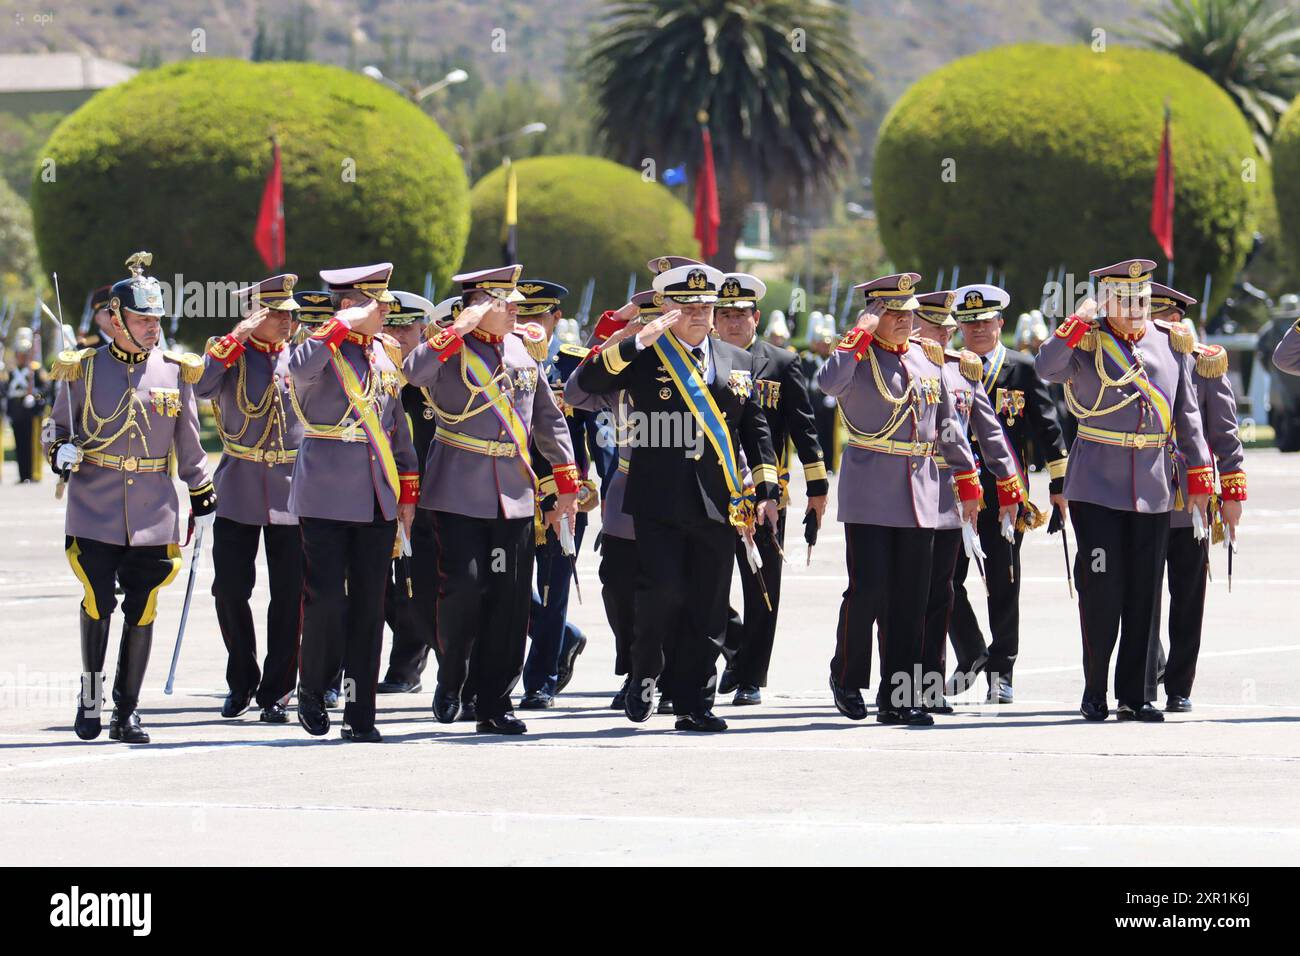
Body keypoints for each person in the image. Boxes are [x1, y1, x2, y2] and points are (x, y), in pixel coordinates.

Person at [575, 262, 781, 732]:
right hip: (657, 496)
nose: (698, 314)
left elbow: (754, 427)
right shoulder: (645, 355)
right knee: (661, 593)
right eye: (687, 306)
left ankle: (695, 702)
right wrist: (634, 341)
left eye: (705, 306)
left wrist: (766, 487)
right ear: (666, 307)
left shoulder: (738, 360)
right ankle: (645, 671)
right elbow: (587, 385)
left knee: (707, 603)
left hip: (720, 499)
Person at [47, 251, 216, 743]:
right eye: (142, 319)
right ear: (115, 319)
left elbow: (188, 440)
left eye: (156, 319)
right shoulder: (83, 369)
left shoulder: (173, 371)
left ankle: (127, 711)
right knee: (98, 602)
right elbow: (57, 426)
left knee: (142, 608)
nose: (152, 328)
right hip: (94, 507)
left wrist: (201, 488)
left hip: (152, 512)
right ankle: (91, 700)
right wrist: (59, 451)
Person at [404, 264, 579, 735]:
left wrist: (565, 481)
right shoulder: (447, 347)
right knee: (462, 590)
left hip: (515, 494)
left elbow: (547, 417)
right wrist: (457, 328)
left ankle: (495, 701)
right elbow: (413, 373)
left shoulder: (523, 350)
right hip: (457, 490)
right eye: (506, 302)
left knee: (509, 600)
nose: (518, 309)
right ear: (480, 305)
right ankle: (453, 678)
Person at [1035, 259, 1211, 722]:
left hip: (1153, 484)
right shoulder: (1087, 340)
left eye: (1142, 298)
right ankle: (1095, 687)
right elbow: (1046, 367)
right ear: (1106, 300)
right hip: (1097, 486)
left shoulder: (1170, 344)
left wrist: (1199, 479)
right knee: (1102, 587)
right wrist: (1078, 320)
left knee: (1144, 592)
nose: (1135, 308)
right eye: (1125, 299)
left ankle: (1137, 695)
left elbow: (1187, 417)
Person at [818, 273, 982, 726]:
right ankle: (847, 679)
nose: (904, 319)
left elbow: (948, 426)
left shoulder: (928, 361)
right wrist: (859, 335)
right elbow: (828, 384)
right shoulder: (854, 356)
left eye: (908, 311)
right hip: (870, 489)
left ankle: (900, 696)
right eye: (892, 312)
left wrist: (968, 481)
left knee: (912, 599)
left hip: (922, 491)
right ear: (873, 314)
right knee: (868, 591)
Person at [289, 262, 419, 743]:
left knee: (369, 604)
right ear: (349, 307)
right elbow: (298, 371)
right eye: (375, 302)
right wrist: (340, 323)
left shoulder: (385, 353)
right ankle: (312, 688)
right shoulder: (318, 348)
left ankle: (360, 711)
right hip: (324, 493)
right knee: (325, 601)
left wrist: (407, 490)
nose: (386, 309)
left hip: (376, 497)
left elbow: (396, 426)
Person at [948, 284, 1070, 703]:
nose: (978, 329)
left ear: (1000, 322)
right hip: (954, 492)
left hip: (1005, 495)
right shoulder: (948, 367)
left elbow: (1048, 427)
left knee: (1003, 581)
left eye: (985, 321)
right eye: (969, 322)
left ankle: (1002, 671)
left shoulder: (1021, 369)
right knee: (943, 580)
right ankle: (971, 652)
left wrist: (1059, 484)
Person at [714, 272, 828, 705]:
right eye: (725, 315)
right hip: (713, 490)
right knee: (705, 581)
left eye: (741, 315)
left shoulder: (781, 363)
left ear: (756, 317)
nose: (733, 323)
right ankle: (734, 645)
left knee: (761, 583)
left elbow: (804, 428)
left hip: (765, 496)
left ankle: (750, 676)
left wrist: (816, 489)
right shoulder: (703, 362)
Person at [196, 274, 304, 724]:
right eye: (275, 313)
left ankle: (278, 689)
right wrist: (234, 338)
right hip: (239, 484)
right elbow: (199, 387)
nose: (286, 321)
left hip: (293, 487)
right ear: (253, 315)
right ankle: (241, 677)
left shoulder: (302, 357)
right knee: (230, 590)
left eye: (290, 313)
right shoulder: (229, 356)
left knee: (290, 595)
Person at [910, 291, 1021, 711]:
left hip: (972, 491)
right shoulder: (900, 364)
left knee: (982, 583)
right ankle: (919, 679)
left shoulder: (963, 370)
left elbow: (994, 433)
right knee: (923, 588)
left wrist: (1011, 483)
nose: (937, 334)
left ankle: (987, 671)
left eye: (943, 328)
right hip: (919, 489)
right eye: (928, 326)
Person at [1143, 283, 1245, 712]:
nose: (1164, 327)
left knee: (1187, 596)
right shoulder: (1134, 362)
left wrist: (1233, 488)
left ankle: (1179, 685)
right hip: (1143, 496)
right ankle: (1145, 678)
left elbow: (1224, 430)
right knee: (1141, 595)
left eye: (1169, 318)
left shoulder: (1205, 363)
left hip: (1193, 502)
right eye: (1156, 318)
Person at [564, 290, 657, 710]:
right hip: (625, 495)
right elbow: (575, 390)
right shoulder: (620, 371)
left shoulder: (699, 368)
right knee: (618, 588)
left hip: (683, 496)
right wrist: (619, 336)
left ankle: (657, 675)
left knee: (672, 591)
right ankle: (635, 668)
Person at [516, 278, 602, 709]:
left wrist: (588, 492)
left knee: (552, 593)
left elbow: (596, 437)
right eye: (521, 314)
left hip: (563, 501)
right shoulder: (500, 360)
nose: (528, 323)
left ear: (556, 318)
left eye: (537, 315)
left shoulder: (573, 366)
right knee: (508, 590)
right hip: (509, 495)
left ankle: (541, 680)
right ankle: (564, 640)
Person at [375, 290, 445, 695]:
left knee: (418, 586)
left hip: (430, 497)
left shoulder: (432, 380)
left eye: (408, 329)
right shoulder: (376, 376)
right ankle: (406, 667)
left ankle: (406, 668)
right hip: (382, 493)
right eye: (391, 327)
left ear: (425, 330)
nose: (399, 337)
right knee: (385, 586)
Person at [6, 326, 50, 484]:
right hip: (17, 412)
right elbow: (5, 390)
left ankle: (33, 474)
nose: (21, 357)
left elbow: (45, 389)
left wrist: (35, 395)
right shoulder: (11, 372)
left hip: (31, 413)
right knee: (20, 445)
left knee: (32, 444)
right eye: (19, 354)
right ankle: (22, 474)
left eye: (24, 354)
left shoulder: (36, 371)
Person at [801, 313, 842, 473]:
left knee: (830, 435)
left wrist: (833, 396)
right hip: (814, 402)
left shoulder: (835, 359)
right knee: (814, 435)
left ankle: (830, 465)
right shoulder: (809, 359)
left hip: (829, 403)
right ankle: (816, 465)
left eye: (827, 343)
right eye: (822, 343)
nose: (824, 346)